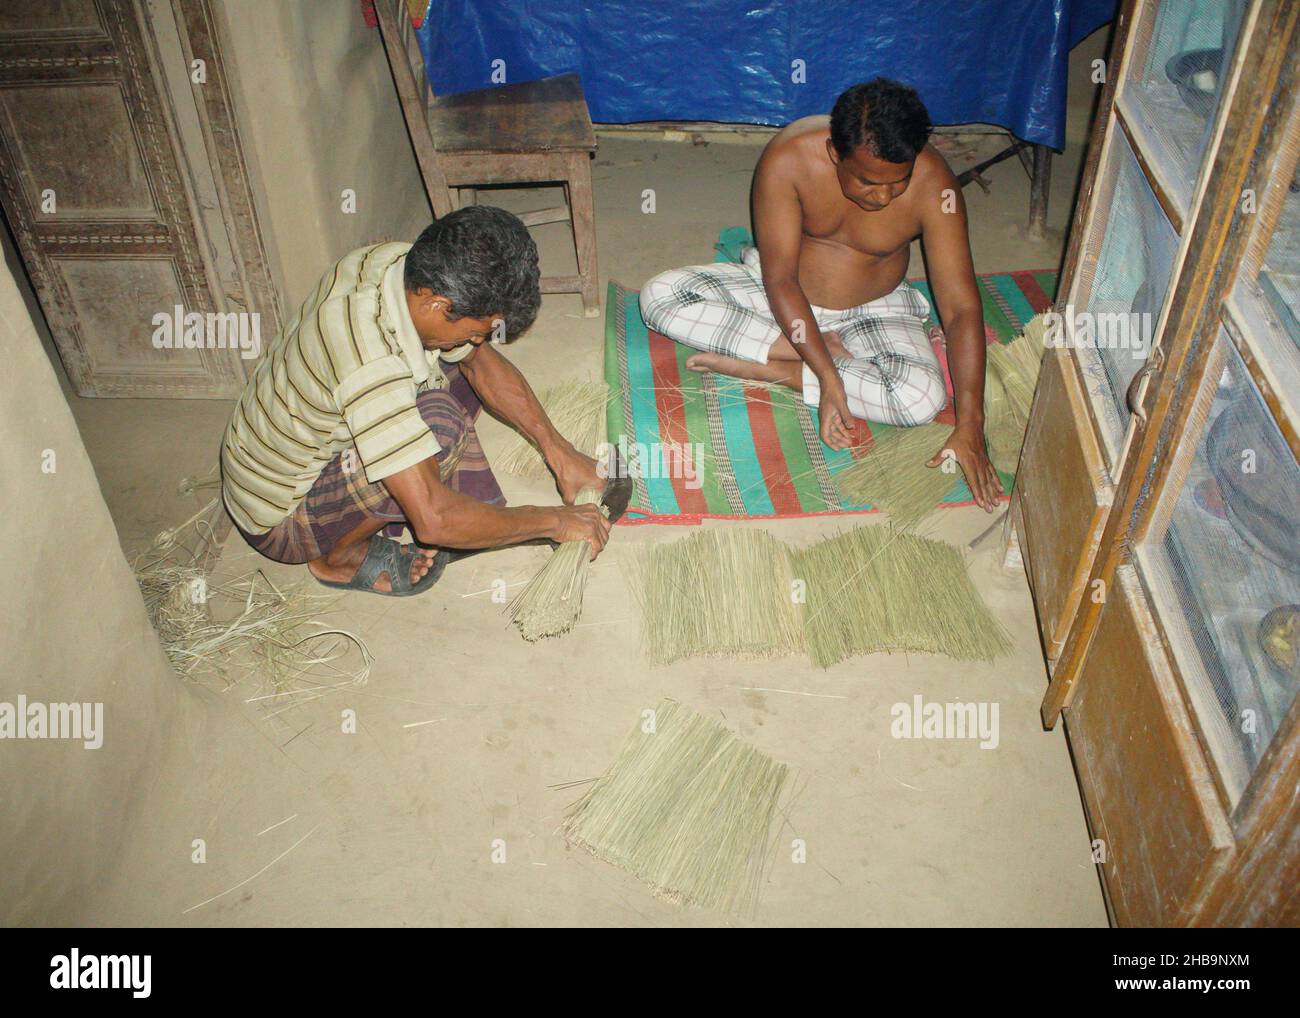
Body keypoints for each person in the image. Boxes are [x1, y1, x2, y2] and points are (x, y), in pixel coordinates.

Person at [640, 78, 1000, 511]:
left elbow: (960, 309)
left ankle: (781, 371)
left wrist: (970, 423)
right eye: (868, 181)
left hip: (875, 309)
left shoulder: (936, 188)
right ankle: (814, 357)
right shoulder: (789, 158)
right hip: (780, 297)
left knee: (922, 399)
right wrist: (830, 377)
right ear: (835, 153)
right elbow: (780, 280)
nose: (883, 196)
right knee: (662, 296)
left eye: (898, 181)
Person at [220, 205, 610, 596]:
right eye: (476, 332)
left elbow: (479, 363)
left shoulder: (396, 263)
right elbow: (434, 520)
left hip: (294, 437)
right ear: (437, 304)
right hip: (283, 516)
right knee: (441, 424)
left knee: (458, 369)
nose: (477, 342)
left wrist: (560, 453)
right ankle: (338, 556)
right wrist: (555, 522)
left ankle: (409, 487)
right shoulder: (369, 361)